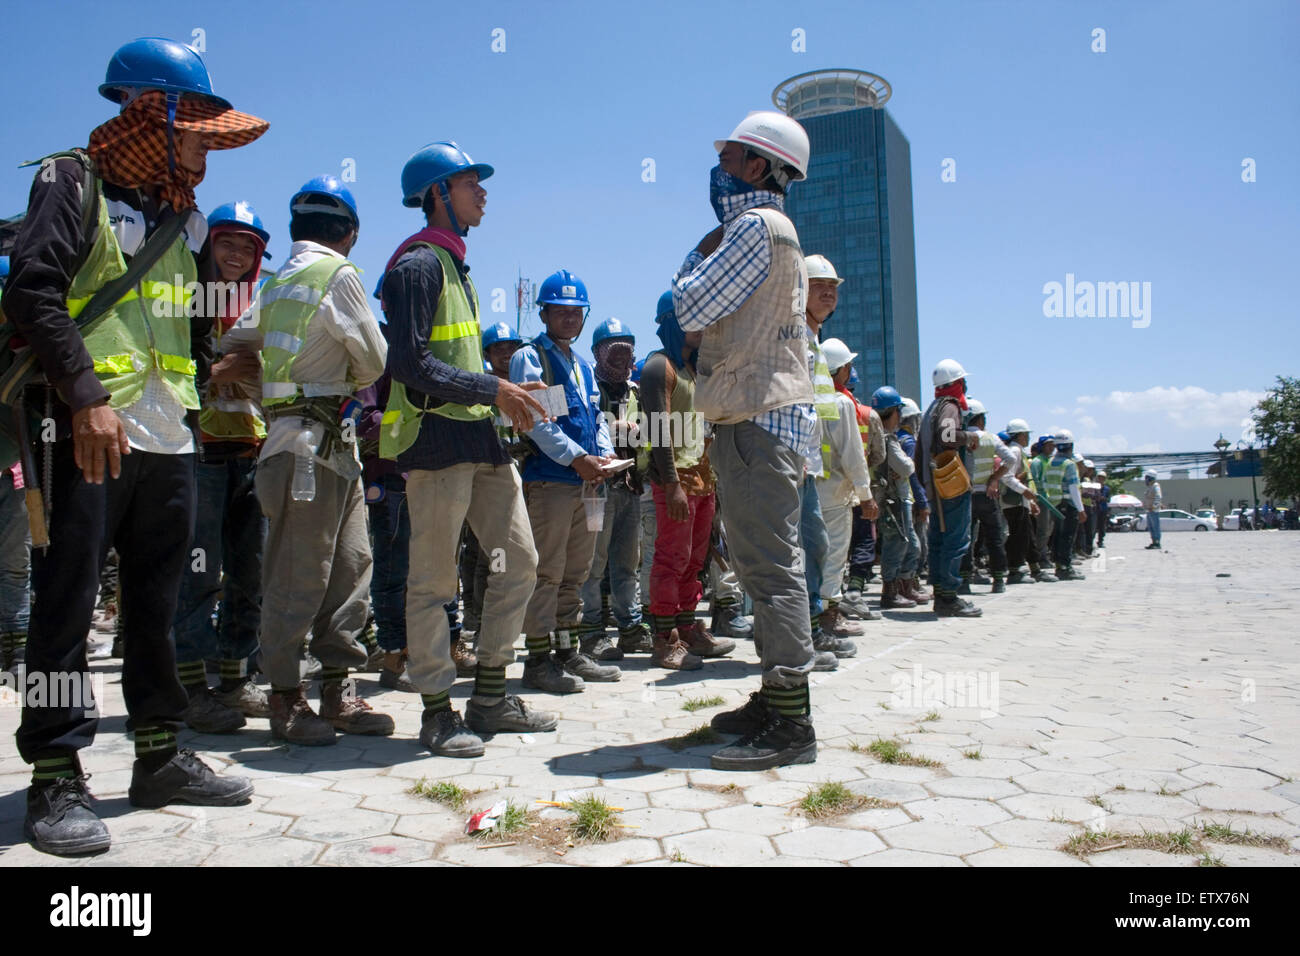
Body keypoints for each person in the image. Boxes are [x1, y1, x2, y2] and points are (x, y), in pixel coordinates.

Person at [5, 38, 265, 855]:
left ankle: (160, 754)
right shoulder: (69, 181)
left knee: (157, 600)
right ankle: (52, 775)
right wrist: (85, 397)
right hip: (85, 426)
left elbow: (180, 321)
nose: (208, 151)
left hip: (165, 431)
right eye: (202, 133)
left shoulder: (180, 212)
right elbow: (33, 291)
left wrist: (209, 379)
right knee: (65, 603)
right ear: (156, 114)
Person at [379, 141, 553, 756]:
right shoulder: (417, 267)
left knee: (520, 562)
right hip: (433, 443)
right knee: (433, 581)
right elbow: (408, 361)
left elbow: (448, 359)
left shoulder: (457, 269)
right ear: (436, 194)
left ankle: (488, 697)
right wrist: (493, 385)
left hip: (480, 440)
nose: (482, 192)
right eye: (469, 182)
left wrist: (503, 390)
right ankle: (434, 711)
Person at [674, 109, 820, 770]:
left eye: (731, 156)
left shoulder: (754, 228)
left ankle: (792, 724)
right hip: (761, 416)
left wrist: (694, 257)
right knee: (767, 568)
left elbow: (690, 307)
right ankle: (774, 697)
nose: (720, 168)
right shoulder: (777, 232)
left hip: (757, 421)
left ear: (759, 167)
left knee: (770, 571)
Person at [171, 201, 272, 733]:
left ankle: (236, 680)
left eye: (248, 248)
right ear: (207, 246)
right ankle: (189, 687)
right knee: (197, 576)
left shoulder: (260, 307)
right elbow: (168, 367)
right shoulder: (184, 299)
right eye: (227, 243)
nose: (236, 255)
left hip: (251, 454)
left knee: (249, 575)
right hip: (201, 455)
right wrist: (216, 371)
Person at [639, 293, 731, 669]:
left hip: (703, 480)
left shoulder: (693, 370)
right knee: (670, 559)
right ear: (671, 321)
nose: (702, 326)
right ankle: (664, 639)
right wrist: (673, 484)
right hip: (675, 480)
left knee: (694, 560)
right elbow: (658, 431)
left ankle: (688, 627)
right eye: (692, 319)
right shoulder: (658, 367)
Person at [575, 318, 658, 660]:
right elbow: (580, 427)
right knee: (593, 563)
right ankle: (591, 631)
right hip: (597, 489)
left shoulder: (636, 392)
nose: (623, 362)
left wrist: (641, 433)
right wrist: (614, 427)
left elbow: (655, 434)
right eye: (615, 354)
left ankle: (630, 628)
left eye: (627, 354)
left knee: (627, 562)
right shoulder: (588, 389)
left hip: (631, 487)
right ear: (598, 354)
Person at [813, 339, 875, 625]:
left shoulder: (808, 400)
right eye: (848, 366)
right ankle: (829, 615)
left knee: (809, 558)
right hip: (836, 494)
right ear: (841, 371)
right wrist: (865, 495)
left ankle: (812, 613)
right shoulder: (840, 403)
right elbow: (852, 454)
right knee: (834, 557)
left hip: (809, 494)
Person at [915, 359, 982, 617]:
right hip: (949, 484)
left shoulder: (933, 406)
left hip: (935, 484)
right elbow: (947, 438)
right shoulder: (950, 406)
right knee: (955, 538)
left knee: (940, 538)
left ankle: (942, 594)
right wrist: (969, 437)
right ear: (958, 383)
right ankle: (948, 597)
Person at [869, 384, 926, 608]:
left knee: (908, 544)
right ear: (892, 413)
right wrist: (907, 463)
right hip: (894, 500)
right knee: (899, 544)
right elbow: (906, 468)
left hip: (888, 499)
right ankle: (891, 593)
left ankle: (901, 588)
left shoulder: (878, 436)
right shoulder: (888, 439)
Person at [958, 399, 1011, 594]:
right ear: (980, 419)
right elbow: (1010, 459)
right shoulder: (991, 439)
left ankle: (964, 581)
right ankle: (998, 580)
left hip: (966, 496)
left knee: (966, 539)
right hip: (988, 496)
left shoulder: (960, 438)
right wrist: (994, 479)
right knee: (994, 538)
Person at [1041, 430, 1088, 578]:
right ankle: (1065, 568)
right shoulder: (1069, 464)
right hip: (1068, 504)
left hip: (1055, 504)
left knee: (1058, 535)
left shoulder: (1050, 462)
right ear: (1071, 446)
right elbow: (1074, 488)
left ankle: (1059, 566)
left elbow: (1044, 482)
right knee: (1067, 536)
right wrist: (1081, 509)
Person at [1000, 419, 1043, 584]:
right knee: (1018, 537)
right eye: (1026, 435)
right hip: (1014, 501)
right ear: (1020, 435)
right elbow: (1006, 476)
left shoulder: (1018, 451)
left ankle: (1034, 568)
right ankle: (1015, 570)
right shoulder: (1014, 452)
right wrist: (1024, 490)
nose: (1027, 438)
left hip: (1021, 501)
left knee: (1026, 535)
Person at [1143, 470, 1162, 549]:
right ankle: (1153, 542)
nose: (1146, 480)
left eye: (1147, 478)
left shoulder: (1155, 486)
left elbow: (1158, 497)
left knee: (1155, 527)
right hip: (1149, 511)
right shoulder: (1150, 487)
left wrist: (1153, 506)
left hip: (1153, 511)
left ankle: (1157, 543)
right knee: (1151, 527)